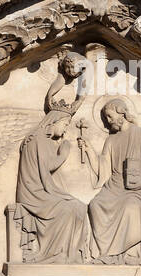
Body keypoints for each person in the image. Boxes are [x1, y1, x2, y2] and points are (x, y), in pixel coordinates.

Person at [83, 98, 141, 265]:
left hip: (134, 189)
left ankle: (124, 254)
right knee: (95, 205)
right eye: (106, 119)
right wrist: (89, 151)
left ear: (122, 112)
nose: (108, 122)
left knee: (130, 207)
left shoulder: (140, 134)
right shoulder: (111, 140)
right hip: (114, 187)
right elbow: (104, 168)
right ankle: (107, 254)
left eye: (109, 116)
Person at [14, 109, 90, 263]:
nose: (65, 129)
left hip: (40, 190)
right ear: (54, 121)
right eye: (65, 124)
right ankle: (54, 254)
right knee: (71, 208)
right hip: (33, 193)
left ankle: (69, 253)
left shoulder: (42, 139)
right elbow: (47, 166)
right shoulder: (38, 139)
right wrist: (63, 153)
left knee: (79, 207)